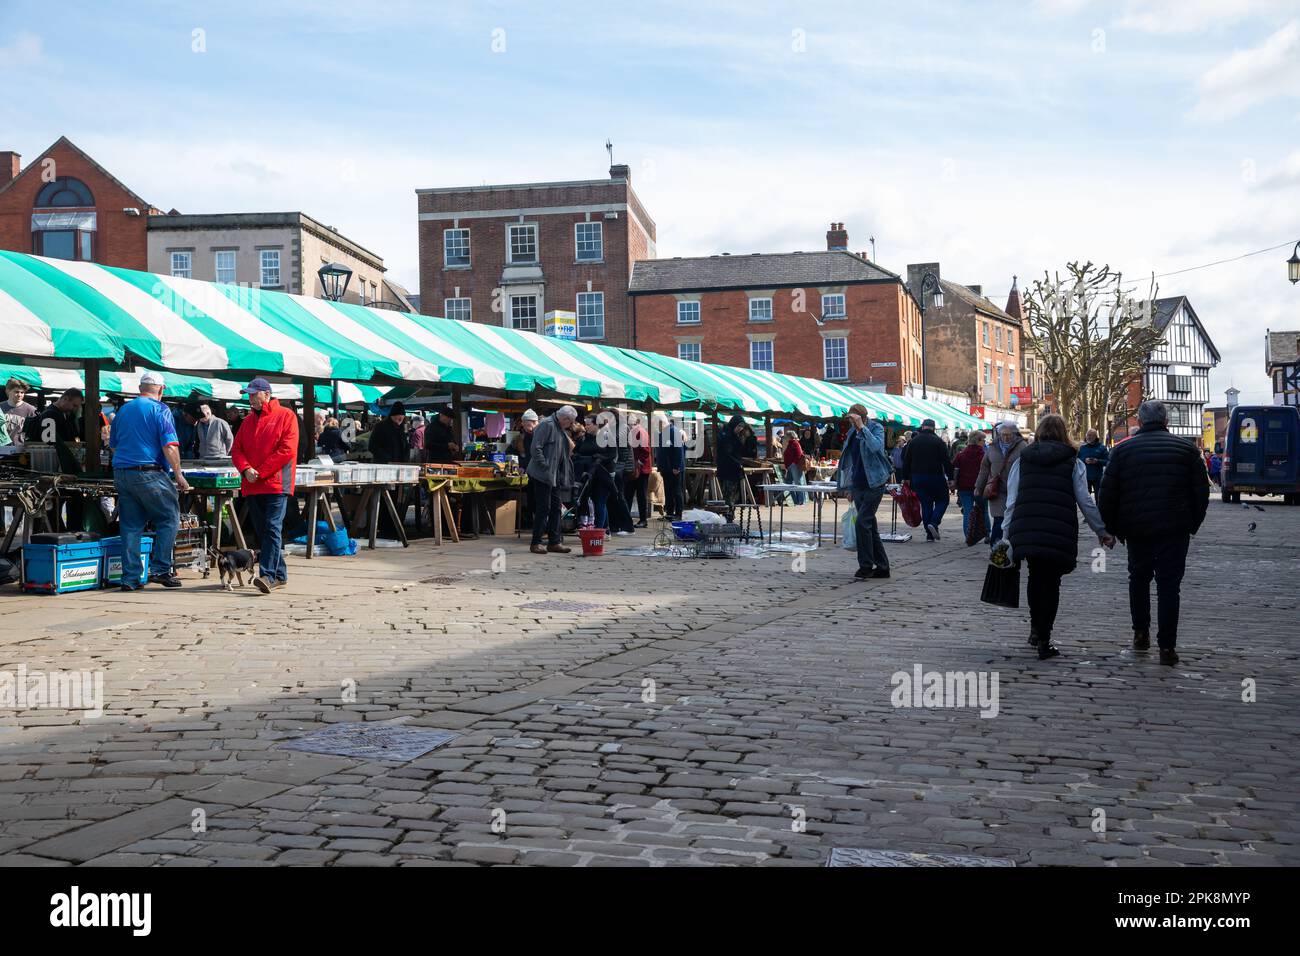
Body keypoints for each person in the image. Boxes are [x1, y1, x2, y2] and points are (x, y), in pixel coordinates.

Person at [1098, 400, 1210, 666]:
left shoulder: (1123, 451)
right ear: (1166, 421)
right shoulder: (1186, 450)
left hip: (1137, 527)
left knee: (1138, 579)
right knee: (1169, 585)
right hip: (1174, 528)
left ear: (1139, 420)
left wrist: (1111, 528)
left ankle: (1140, 633)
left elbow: (1108, 493)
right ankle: (1167, 647)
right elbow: (1201, 493)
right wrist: (1192, 522)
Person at [1004, 414, 1115, 660]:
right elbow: (1085, 500)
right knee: (1051, 583)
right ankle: (1044, 637)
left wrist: (1006, 534)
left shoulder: (1022, 460)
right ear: (1064, 433)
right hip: (1058, 529)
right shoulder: (1073, 462)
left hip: (1028, 526)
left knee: (1035, 578)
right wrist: (1101, 530)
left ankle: (1035, 629)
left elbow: (1011, 501)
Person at [108, 371, 190, 590]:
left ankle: (130, 578)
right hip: (149, 472)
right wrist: (179, 474)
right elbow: (169, 446)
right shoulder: (160, 410)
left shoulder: (123, 410)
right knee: (169, 518)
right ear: (161, 390)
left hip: (123, 472)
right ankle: (161, 569)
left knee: (130, 526)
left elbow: (114, 445)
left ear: (140, 388)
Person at [230, 377, 299, 594]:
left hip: (276, 484)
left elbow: (287, 449)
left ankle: (267, 575)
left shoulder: (286, 415)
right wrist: (246, 469)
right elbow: (237, 449)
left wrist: (259, 471)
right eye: (248, 395)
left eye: (253, 394)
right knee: (264, 531)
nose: (250, 399)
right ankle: (280, 575)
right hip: (254, 484)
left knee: (271, 528)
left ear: (266, 394)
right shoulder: (248, 421)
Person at [835, 403, 891, 580]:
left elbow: (876, 448)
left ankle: (865, 566)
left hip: (875, 483)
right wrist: (848, 487)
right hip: (858, 484)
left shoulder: (876, 428)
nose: (851, 423)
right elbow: (851, 461)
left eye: (854, 419)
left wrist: (862, 428)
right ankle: (883, 567)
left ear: (861, 417)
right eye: (850, 421)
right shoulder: (852, 433)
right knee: (870, 527)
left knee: (862, 523)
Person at [527, 405, 577, 554]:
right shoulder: (547, 425)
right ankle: (536, 542)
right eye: (570, 422)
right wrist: (545, 466)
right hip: (543, 474)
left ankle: (554, 542)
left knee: (556, 507)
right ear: (565, 419)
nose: (571, 425)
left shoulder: (558, 426)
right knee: (544, 508)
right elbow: (535, 448)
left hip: (554, 475)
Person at [904, 418, 954, 541]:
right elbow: (946, 461)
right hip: (935, 476)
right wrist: (951, 478)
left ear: (922, 426)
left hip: (918, 478)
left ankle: (929, 534)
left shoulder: (913, 441)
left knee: (926, 504)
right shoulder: (938, 441)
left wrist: (905, 478)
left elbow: (906, 461)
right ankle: (934, 522)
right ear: (934, 427)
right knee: (943, 500)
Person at [976, 422, 1025, 546]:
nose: (1005, 438)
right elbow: (984, 468)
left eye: (1009, 435)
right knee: (999, 519)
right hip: (996, 490)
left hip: (1017, 490)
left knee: (1014, 519)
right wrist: (978, 486)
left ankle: (1012, 545)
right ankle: (995, 546)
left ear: (1015, 434)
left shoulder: (1023, 447)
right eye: (1003, 435)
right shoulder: (992, 447)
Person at [952, 430, 988, 541]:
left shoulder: (961, 455)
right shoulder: (984, 455)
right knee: (984, 510)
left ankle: (968, 534)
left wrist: (954, 483)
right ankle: (988, 534)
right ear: (978, 441)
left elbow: (954, 468)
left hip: (964, 487)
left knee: (967, 510)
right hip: (980, 487)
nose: (984, 442)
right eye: (983, 440)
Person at [624, 412, 652, 527]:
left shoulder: (640, 432)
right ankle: (627, 518)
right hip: (636, 467)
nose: (629, 427)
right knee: (629, 494)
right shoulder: (636, 431)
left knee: (640, 495)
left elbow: (646, 451)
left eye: (630, 425)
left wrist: (637, 464)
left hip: (641, 469)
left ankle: (643, 520)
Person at [656, 414, 686, 519]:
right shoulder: (663, 433)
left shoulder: (674, 432)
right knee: (668, 491)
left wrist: (676, 467)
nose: (656, 426)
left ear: (661, 422)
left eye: (657, 424)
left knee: (677, 491)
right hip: (666, 469)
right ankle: (669, 513)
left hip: (674, 469)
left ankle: (678, 514)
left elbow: (678, 451)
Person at [716, 415, 746, 507]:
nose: (740, 428)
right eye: (739, 426)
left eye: (742, 427)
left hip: (733, 470)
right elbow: (727, 454)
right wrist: (738, 464)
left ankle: (729, 517)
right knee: (728, 497)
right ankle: (728, 517)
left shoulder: (734, 435)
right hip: (727, 470)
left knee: (732, 496)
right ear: (734, 424)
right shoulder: (726, 435)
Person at [2, 378, 37, 447]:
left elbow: (35, 433)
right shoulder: (0, 408)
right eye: (16, 392)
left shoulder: (31, 410)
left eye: (22, 392)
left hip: (21, 450)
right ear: (8, 391)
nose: (19, 395)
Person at [1077, 428, 1109, 496]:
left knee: (1099, 497)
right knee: (1086, 498)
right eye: (1087, 435)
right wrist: (1084, 460)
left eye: (1091, 435)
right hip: (1085, 477)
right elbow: (1077, 460)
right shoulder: (1082, 448)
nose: (1088, 437)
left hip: (1098, 477)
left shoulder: (1102, 448)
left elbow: (1108, 461)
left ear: (1095, 437)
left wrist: (1097, 461)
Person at [782, 429, 808, 506]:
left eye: (786, 436)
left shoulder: (795, 443)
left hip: (794, 466)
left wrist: (794, 463)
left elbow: (799, 455)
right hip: (791, 466)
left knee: (798, 483)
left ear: (790, 436)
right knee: (788, 483)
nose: (785, 438)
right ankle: (795, 501)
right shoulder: (790, 443)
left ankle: (801, 501)